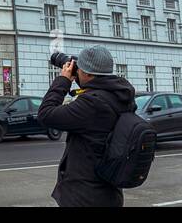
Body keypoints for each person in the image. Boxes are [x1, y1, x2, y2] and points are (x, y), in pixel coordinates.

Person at [37, 45, 137, 207]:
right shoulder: (120, 95)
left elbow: (46, 115)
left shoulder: (92, 103)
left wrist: (63, 80)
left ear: (88, 73)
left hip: (85, 196)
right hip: (109, 192)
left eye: (79, 68)